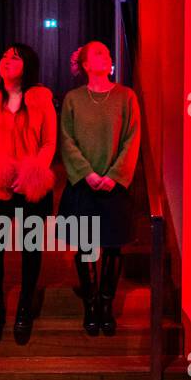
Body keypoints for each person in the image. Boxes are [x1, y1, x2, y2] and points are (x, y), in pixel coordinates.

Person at [0, 44, 56, 345]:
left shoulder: (41, 98)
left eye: (15, 57)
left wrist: (31, 173)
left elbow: (49, 143)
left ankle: (25, 307)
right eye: (4, 56)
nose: (7, 60)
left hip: (32, 185)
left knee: (31, 248)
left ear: (27, 64)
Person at [59, 40, 141, 336]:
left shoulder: (126, 96)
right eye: (97, 52)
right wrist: (87, 173)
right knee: (85, 247)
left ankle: (106, 304)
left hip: (115, 187)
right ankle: (90, 304)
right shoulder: (73, 98)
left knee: (112, 247)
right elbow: (65, 140)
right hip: (83, 185)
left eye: (106, 52)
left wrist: (115, 175)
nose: (104, 55)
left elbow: (132, 139)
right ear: (83, 64)